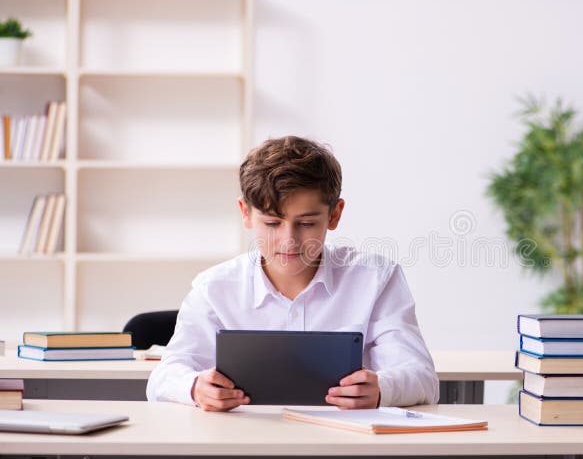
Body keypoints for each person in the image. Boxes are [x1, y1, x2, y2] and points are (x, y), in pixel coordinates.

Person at [146, 136, 439, 411]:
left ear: (334, 215)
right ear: (245, 213)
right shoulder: (215, 288)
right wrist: (196, 387)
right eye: (273, 223)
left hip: (345, 448)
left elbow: (423, 378)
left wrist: (382, 390)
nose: (289, 241)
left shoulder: (375, 279)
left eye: (307, 223)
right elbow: (163, 378)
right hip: (244, 446)